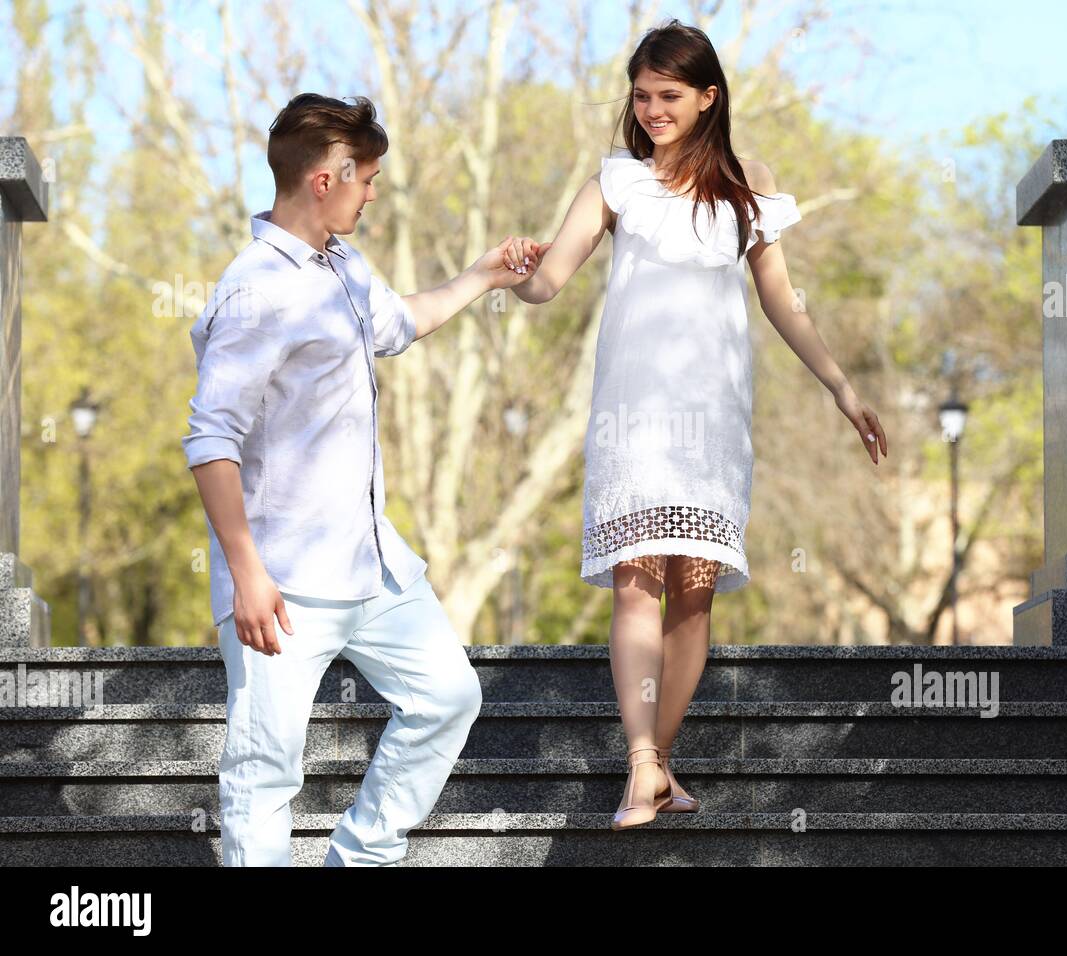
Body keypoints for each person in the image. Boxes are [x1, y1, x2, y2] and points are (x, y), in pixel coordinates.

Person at [509, 20, 888, 829]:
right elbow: (550, 282)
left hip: (714, 415)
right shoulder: (616, 181)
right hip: (633, 414)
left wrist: (841, 388)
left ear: (709, 96)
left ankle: (658, 763)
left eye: (669, 95)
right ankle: (642, 761)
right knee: (635, 579)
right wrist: (514, 274)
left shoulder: (750, 184)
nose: (651, 110)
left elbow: (782, 301)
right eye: (641, 96)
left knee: (694, 591)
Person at [181, 93, 540, 865]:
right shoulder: (256, 289)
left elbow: (398, 323)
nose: (373, 192)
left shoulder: (340, 264)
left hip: (372, 566)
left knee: (448, 697)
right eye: (366, 178)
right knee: (264, 771)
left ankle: (360, 857)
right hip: (281, 584)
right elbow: (212, 441)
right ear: (325, 177)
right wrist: (245, 574)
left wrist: (481, 277)